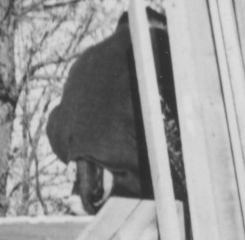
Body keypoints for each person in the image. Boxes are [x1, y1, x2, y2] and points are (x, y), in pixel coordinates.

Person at [45, 13, 173, 212]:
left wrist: (77, 152)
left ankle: (90, 182)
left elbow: (55, 124)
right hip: (131, 181)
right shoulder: (156, 41)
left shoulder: (85, 59)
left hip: (86, 174)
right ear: (156, 26)